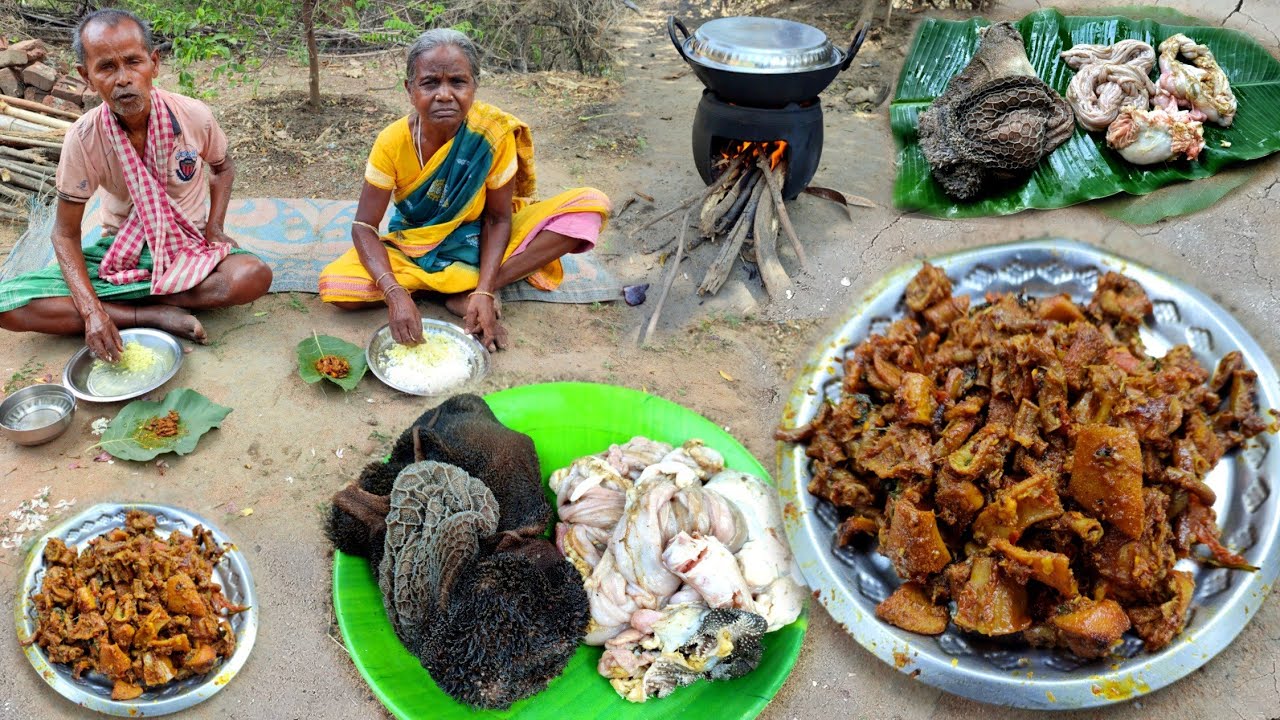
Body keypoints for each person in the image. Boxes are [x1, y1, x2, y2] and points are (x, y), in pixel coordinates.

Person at [0, 9, 272, 361]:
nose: (123, 79)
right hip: (119, 253)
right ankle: (149, 313)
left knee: (252, 276)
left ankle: (131, 300)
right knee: (8, 306)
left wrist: (216, 229)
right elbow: (64, 234)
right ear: (86, 76)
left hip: (186, 243)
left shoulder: (193, 116)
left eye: (133, 62)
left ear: (154, 63)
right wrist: (90, 312)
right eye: (107, 67)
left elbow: (222, 168)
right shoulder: (83, 138)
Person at [318, 29, 610, 352]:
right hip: (418, 248)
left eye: (457, 82)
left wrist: (485, 291)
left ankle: (471, 290)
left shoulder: (491, 134)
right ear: (409, 90)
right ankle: (447, 289)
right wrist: (394, 293)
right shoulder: (391, 142)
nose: (445, 94)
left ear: (474, 87)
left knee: (588, 208)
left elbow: (498, 220)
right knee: (338, 286)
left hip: (480, 239)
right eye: (430, 83)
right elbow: (363, 226)